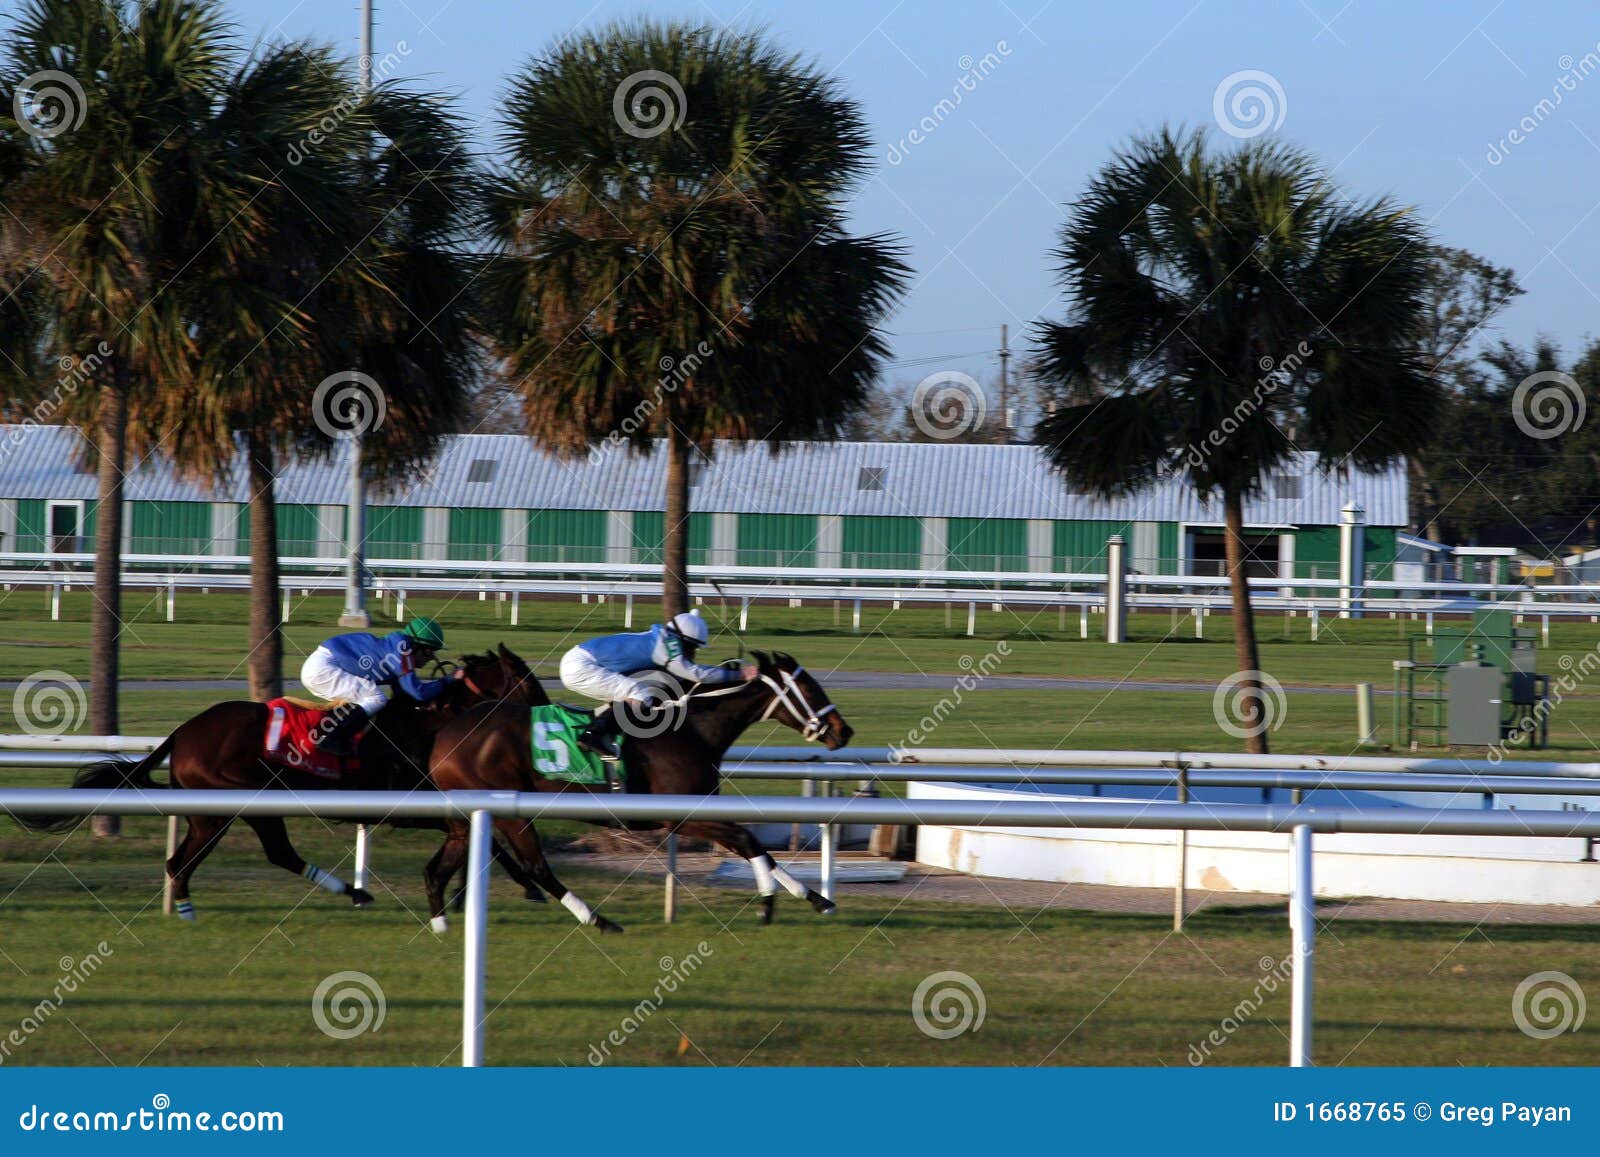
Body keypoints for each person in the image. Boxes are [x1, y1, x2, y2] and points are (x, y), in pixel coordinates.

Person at [559, 609, 756, 759]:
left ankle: (609, 734)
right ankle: (593, 736)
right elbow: (693, 673)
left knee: (637, 692)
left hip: (580, 661)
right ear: (684, 640)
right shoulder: (666, 645)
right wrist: (738, 674)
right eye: (692, 647)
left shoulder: (663, 639)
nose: (692, 652)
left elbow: (679, 679)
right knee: (639, 694)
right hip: (581, 666)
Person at [299, 617, 456, 754]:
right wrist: (450, 679)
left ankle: (347, 737)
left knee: (370, 699)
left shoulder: (398, 648)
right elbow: (418, 692)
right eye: (429, 652)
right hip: (323, 668)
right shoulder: (402, 653)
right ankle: (330, 738)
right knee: (376, 698)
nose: (431, 658)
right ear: (416, 646)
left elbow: (403, 697)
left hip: (321, 665)